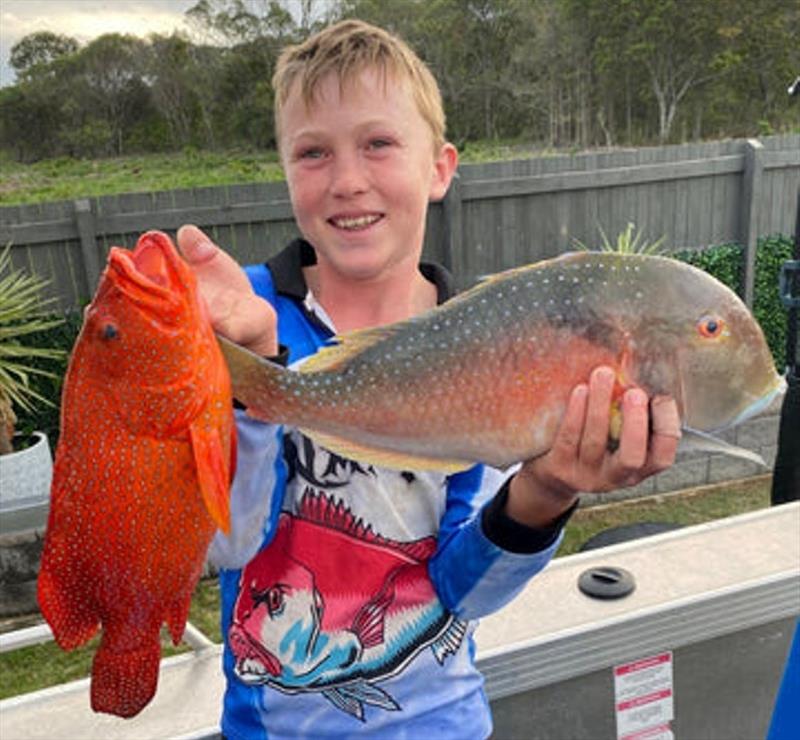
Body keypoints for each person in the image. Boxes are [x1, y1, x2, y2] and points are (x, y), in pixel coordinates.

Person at [176, 19, 680, 739]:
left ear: (440, 167)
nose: (348, 180)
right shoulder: (237, 317)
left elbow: (459, 594)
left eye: (379, 143)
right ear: (285, 171)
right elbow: (221, 547)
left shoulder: (490, 341)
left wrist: (545, 491)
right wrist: (239, 385)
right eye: (313, 152)